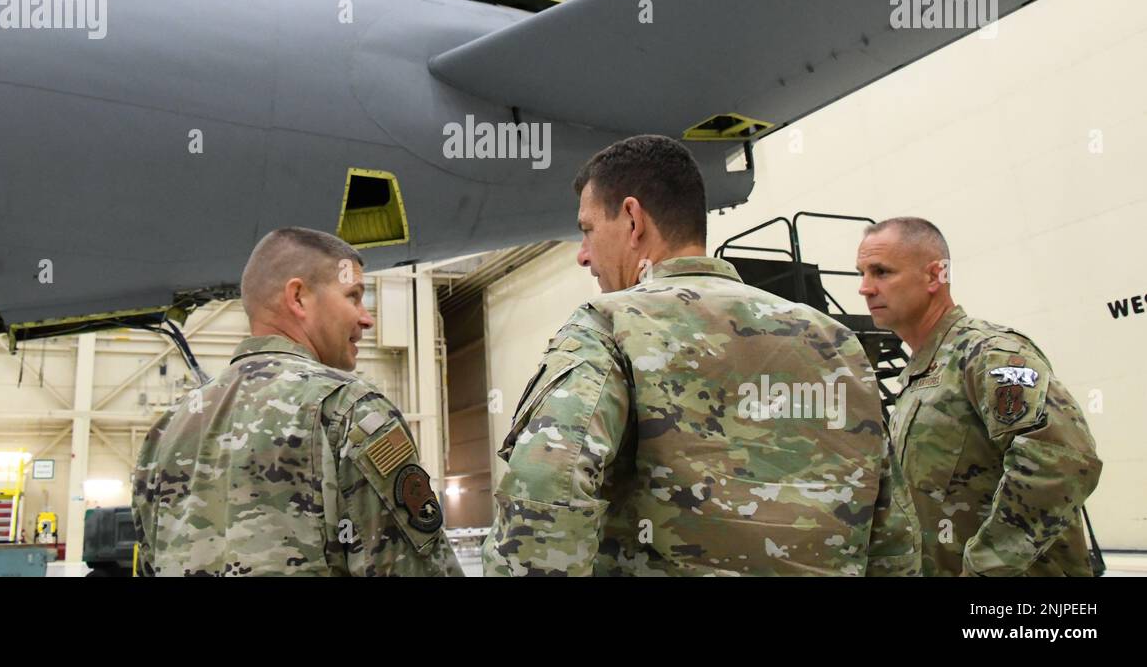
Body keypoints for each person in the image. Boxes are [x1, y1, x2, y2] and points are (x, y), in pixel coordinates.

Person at [482, 135, 919, 576]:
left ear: (632, 220)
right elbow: (893, 536)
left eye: (587, 230)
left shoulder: (608, 328)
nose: (583, 255)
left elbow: (546, 490)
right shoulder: (838, 342)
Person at [132, 227, 462, 576]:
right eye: (353, 296)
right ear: (299, 297)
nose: (365, 318)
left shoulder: (165, 431)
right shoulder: (348, 410)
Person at [855, 217, 1101, 576]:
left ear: (934, 275)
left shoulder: (987, 354)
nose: (865, 288)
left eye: (881, 272)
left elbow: (1062, 459)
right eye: (860, 273)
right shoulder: (922, 375)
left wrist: (986, 567)